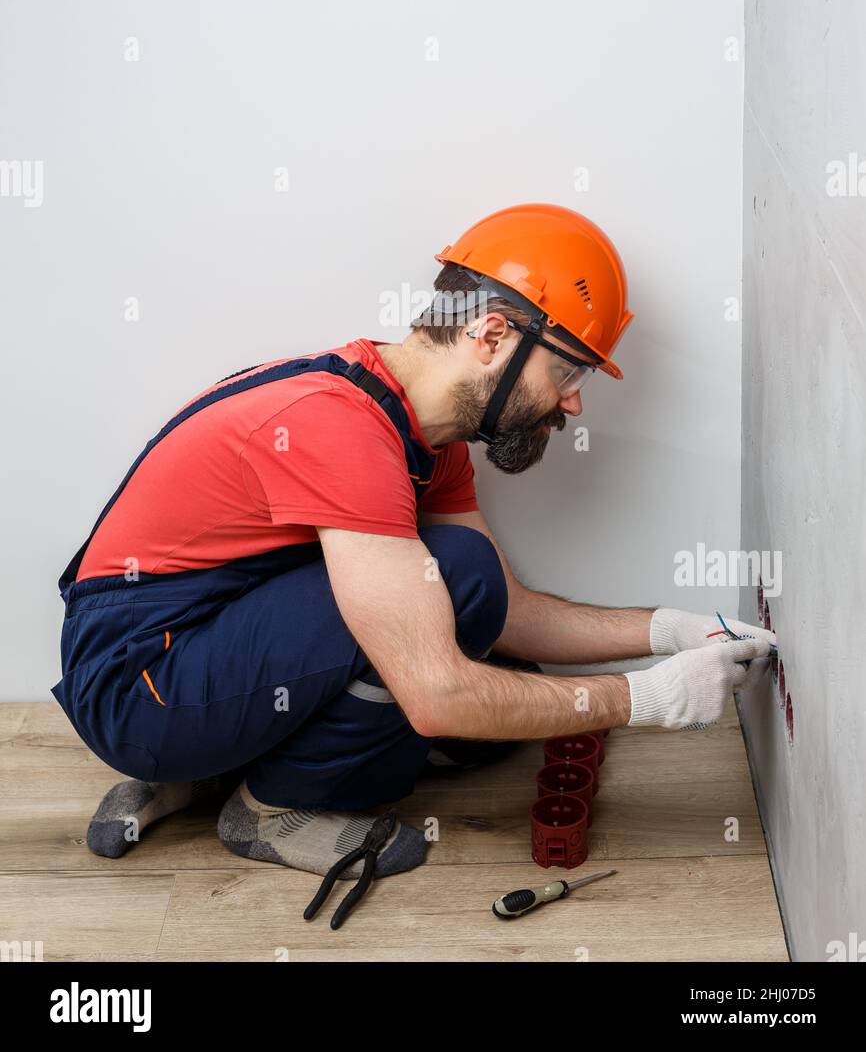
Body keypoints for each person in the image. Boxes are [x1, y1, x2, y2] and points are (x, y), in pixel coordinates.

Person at [51, 202, 774, 885]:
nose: (575, 400)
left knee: (477, 617)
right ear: (492, 337)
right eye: (569, 368)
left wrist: (670, 631)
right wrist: (649, 699)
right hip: (137, 681)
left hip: (196, 646)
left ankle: (203, 770)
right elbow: (435, 696)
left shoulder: (424, 435)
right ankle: (269, 810)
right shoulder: (342, 430)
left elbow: (508, 606)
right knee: (453, 609)